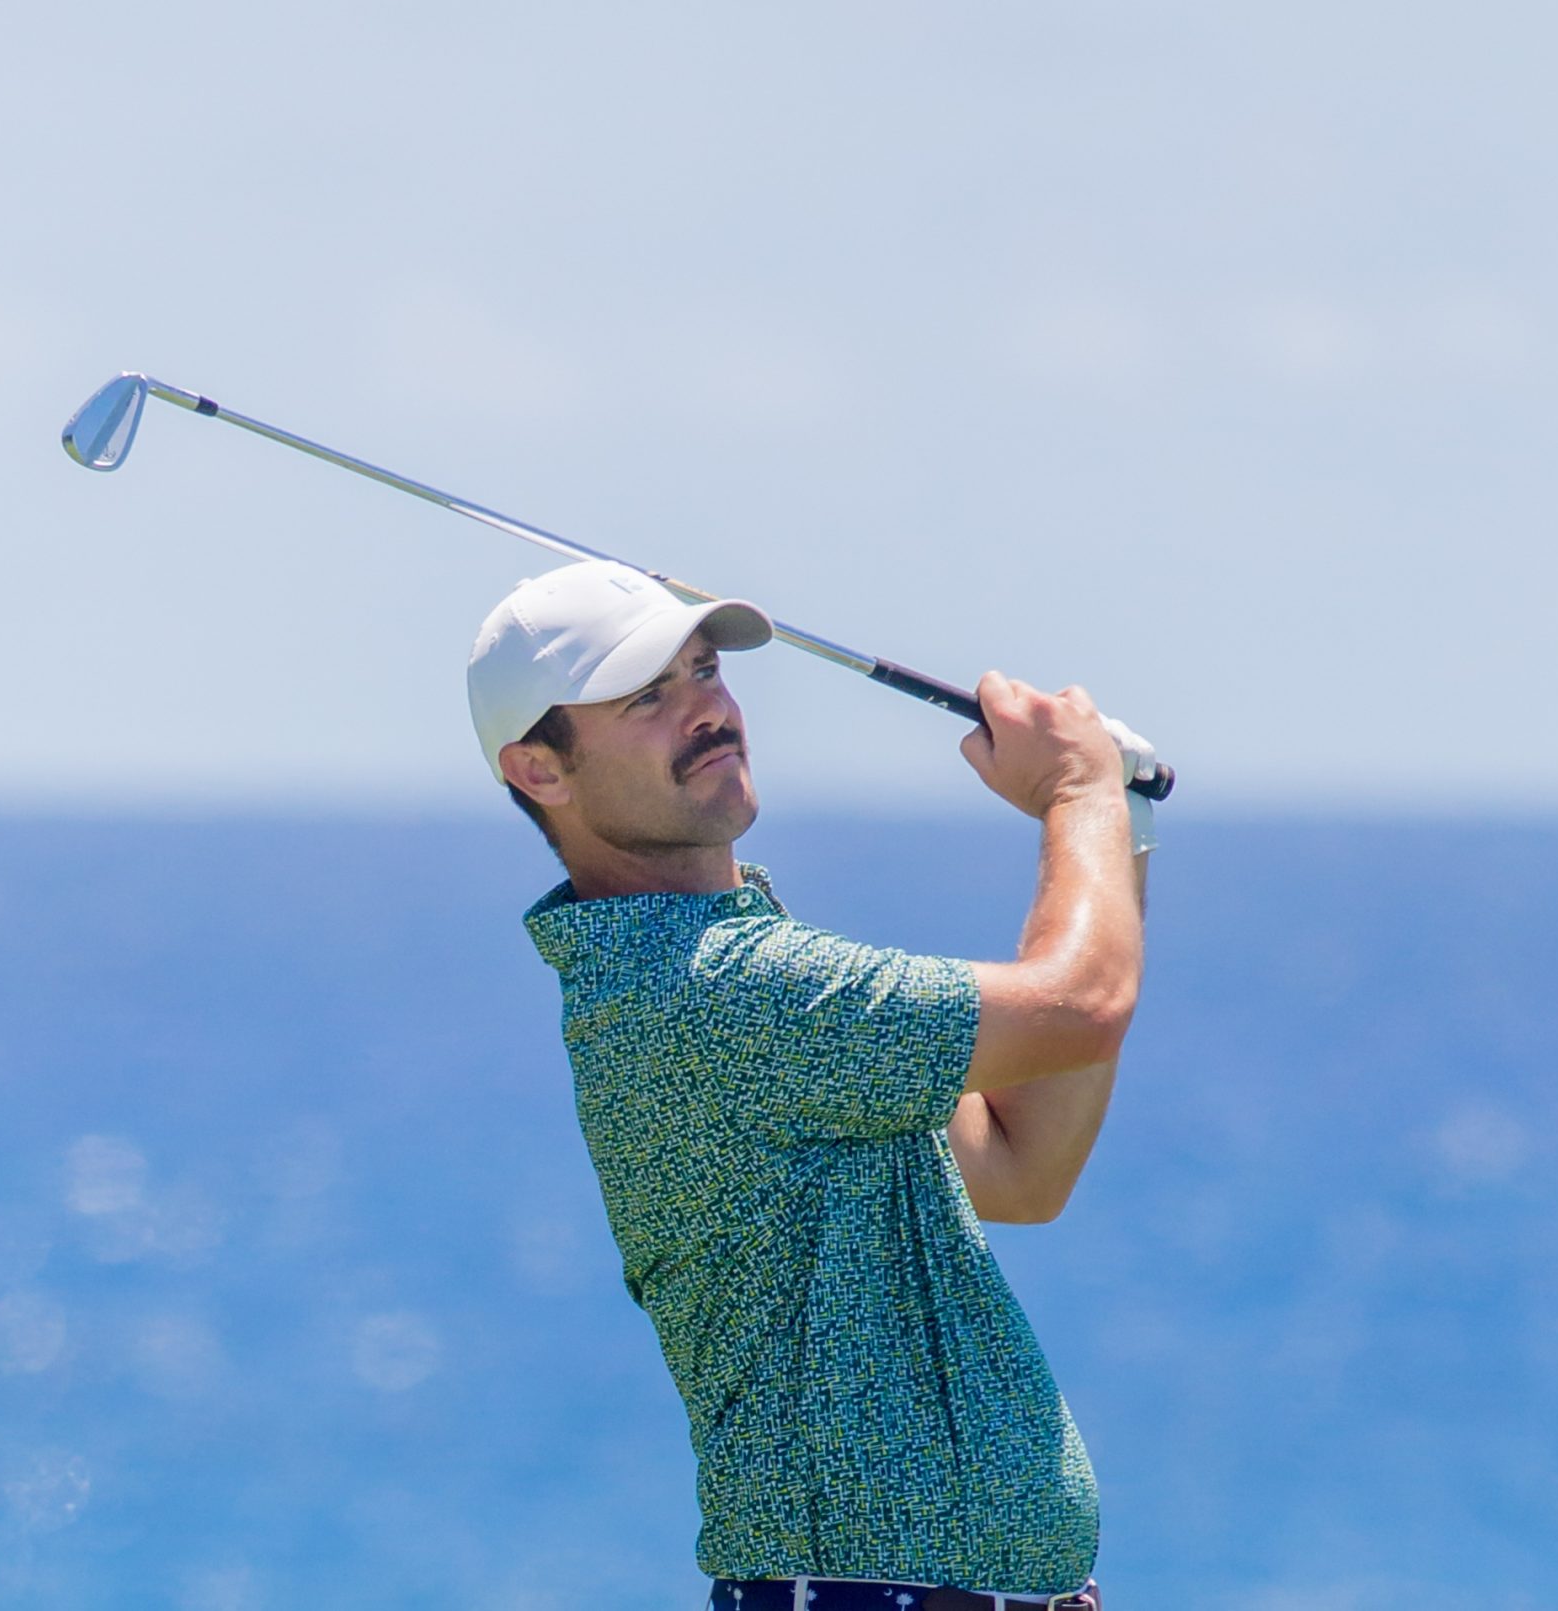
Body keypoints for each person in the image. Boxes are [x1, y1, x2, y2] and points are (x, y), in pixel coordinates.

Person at [467, 560, 1154, 1611]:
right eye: (645, 696)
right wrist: (1078, 794)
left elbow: (1023, 1167)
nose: (705, 708)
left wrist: (1119, 829)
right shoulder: (709, 989)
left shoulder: (735, 979)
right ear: (539, 769)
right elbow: (1085, 1000)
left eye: (702, 671)